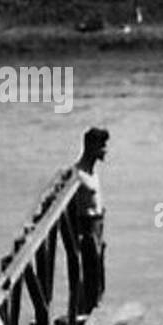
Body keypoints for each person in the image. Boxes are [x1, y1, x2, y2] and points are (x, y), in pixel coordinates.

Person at [72, 127, 108, 311]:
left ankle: (94, 310)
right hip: (86, 231)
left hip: (98, 228)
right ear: (90, 146)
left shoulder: (93, 173)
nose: (105, 150)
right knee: (88, 281)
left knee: (99, 280)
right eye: (102, 146)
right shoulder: (78, 175)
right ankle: (85, 314)